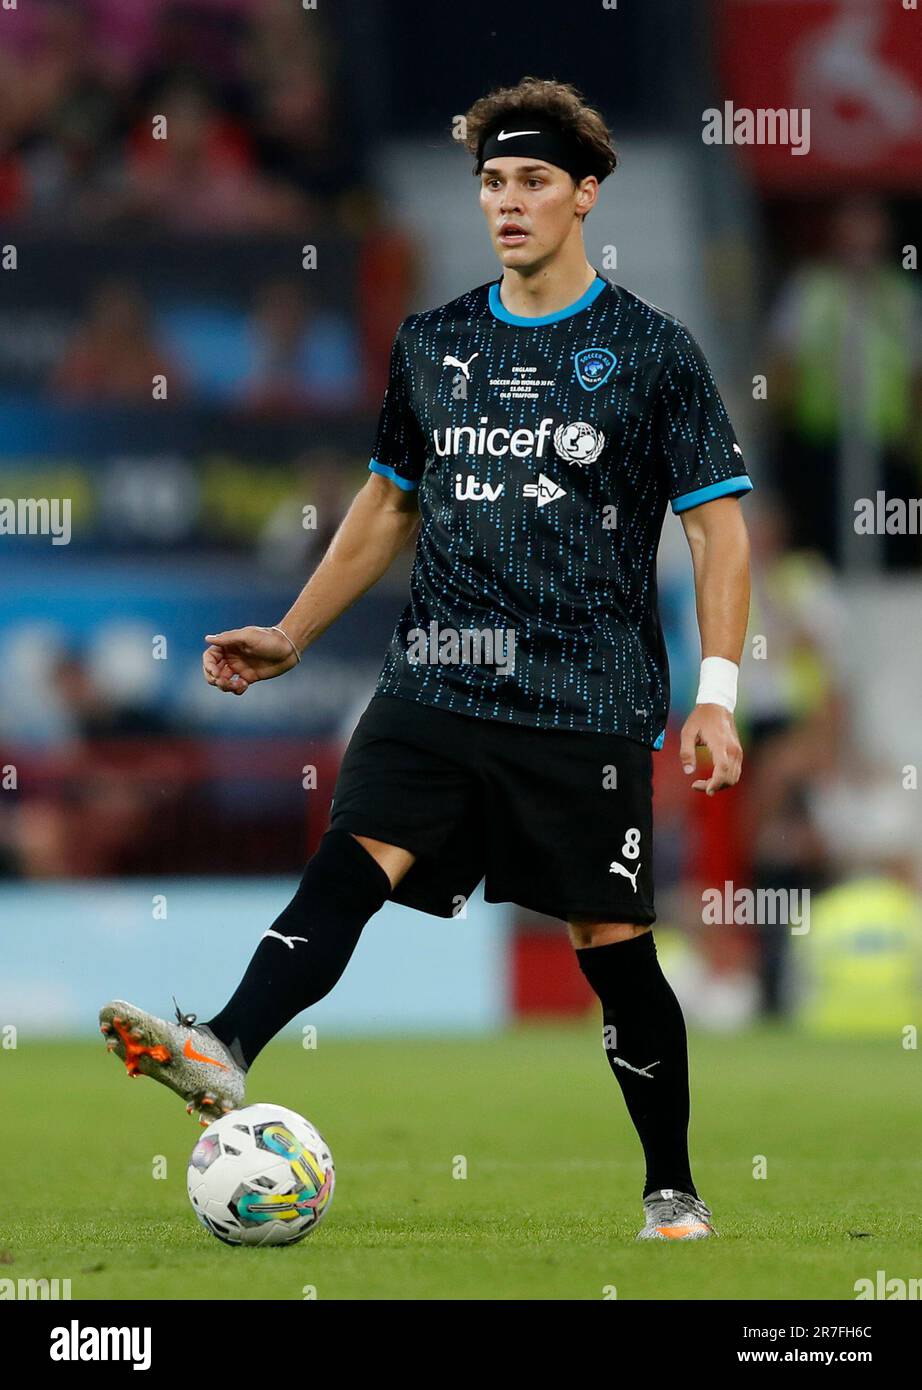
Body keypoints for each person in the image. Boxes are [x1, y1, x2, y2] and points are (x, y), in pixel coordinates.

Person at [100, 76, 753, 1243]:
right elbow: (387, 505)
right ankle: (225, 1047)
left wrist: (716, 695)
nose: (507, 202)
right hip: (437, 676)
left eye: (533, 181)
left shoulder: (653, 353)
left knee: (611, 948)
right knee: (353, 861)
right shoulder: (433, 342)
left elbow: (718, 529)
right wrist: (292, 633)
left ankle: (671, 1184)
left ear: (584, 194)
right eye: (492, 181)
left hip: (585, 696)